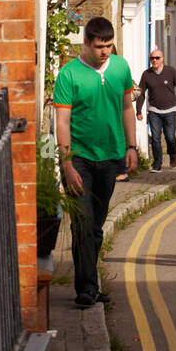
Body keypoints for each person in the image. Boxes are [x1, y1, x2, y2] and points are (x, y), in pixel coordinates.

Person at [53, 16, 138, 308]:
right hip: (79, 160)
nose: (105, 52)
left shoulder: (121, 67)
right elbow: (61, 123)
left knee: (97, 225)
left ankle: (89, 282)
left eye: (109, 46)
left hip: (111, 156)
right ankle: (87, 288)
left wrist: (132, 146)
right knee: (82, 223)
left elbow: (127, 107)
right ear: (87, 42)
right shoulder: (69, 74)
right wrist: (67, 165)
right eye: (100, 46)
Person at [135, 48, 176, 172]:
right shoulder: (146, 74)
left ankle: (173, 154)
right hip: (154, 111)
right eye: (152, 58)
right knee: (155, 138)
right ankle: (157, 163)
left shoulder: (171, 72)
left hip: (170, 110)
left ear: (162, 58)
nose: (154, 60)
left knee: (170, 137)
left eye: (157, 58)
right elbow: (141, 93)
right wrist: (139, 111)